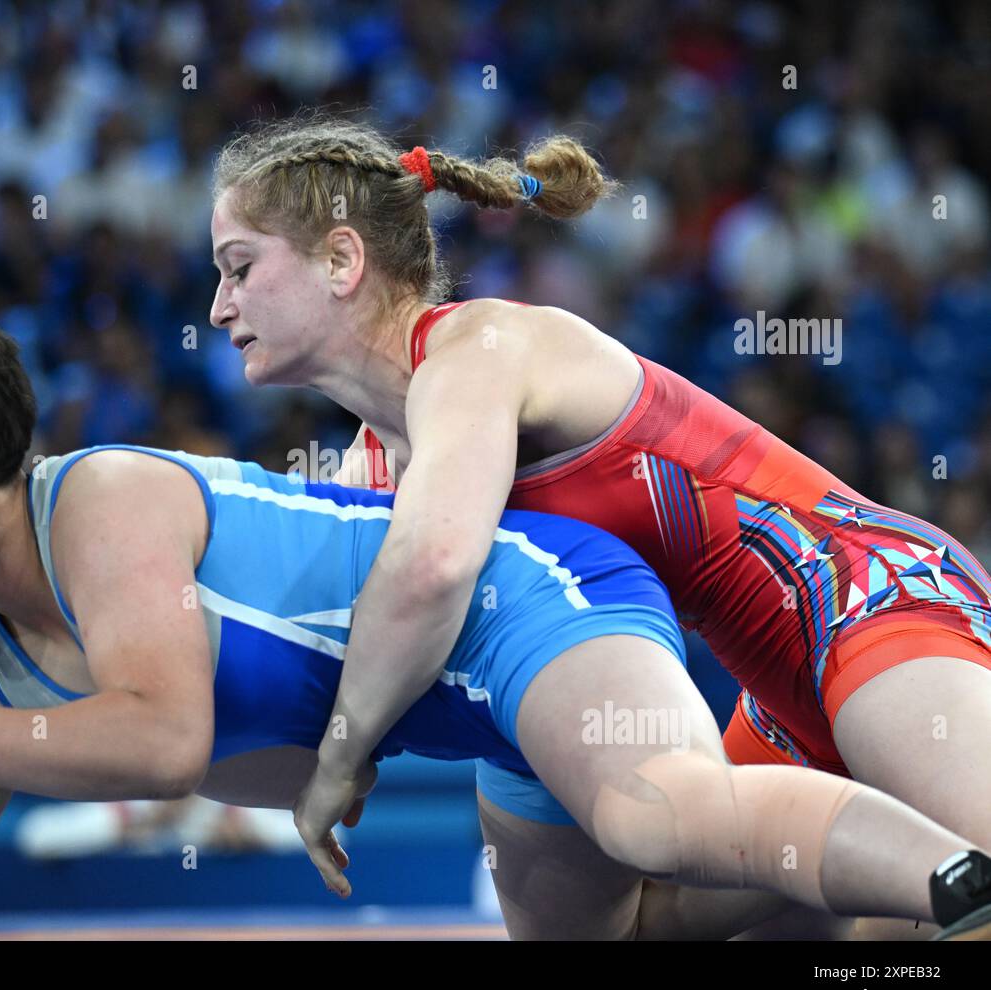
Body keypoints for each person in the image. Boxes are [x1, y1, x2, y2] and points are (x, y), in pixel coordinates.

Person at [0, 285, 991, 942]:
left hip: (522, 604)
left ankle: (961, 871)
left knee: (662, 813)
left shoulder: (97, 504)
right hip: (464, 723)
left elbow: (159, 737)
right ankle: (883, 918)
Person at [207, 114, 991, 934]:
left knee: (974, 893)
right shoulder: (365, 474)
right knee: (638, 929)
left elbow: (433, 565)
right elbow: (322, 672)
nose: (220, 307)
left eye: (239, 268)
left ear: (341, 259)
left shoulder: (484, 347)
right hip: (774, 702)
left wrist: (338, 756)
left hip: (867, 596)